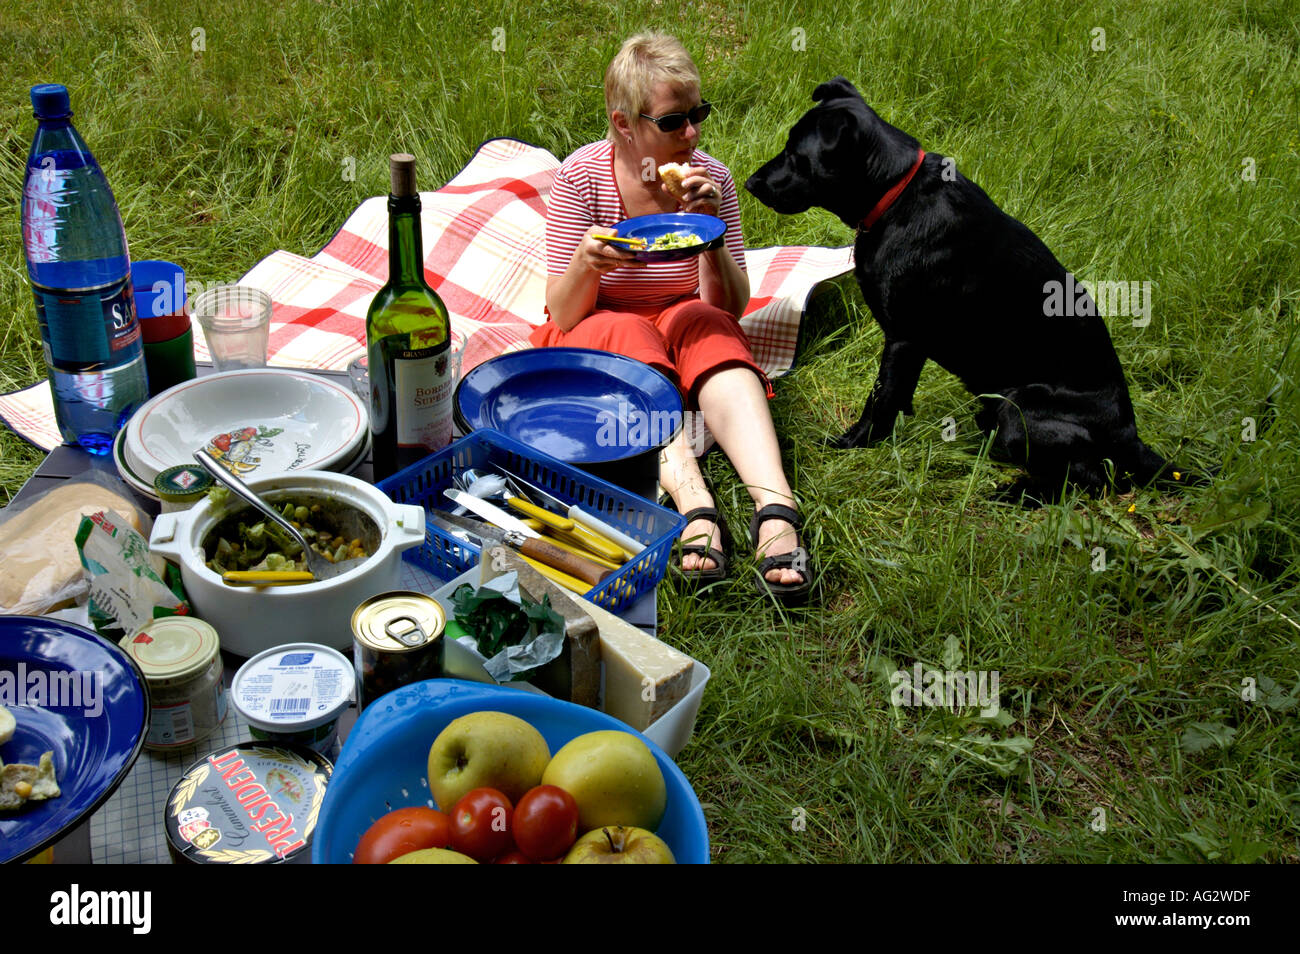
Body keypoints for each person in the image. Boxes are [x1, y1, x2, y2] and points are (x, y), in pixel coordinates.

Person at [531, 32, 811, 603]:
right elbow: (561, 311)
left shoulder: (711, 179)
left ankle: (777, 507)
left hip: (684, 314)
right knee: (628, 330)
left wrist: (713, 240)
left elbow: (727, 305)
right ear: (624, 124)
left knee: (710, 331)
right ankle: (693, 504)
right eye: (672, 121)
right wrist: (587, 264)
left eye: (697, 115)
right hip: (603, 323)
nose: (691, 134)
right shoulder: (582, 178)